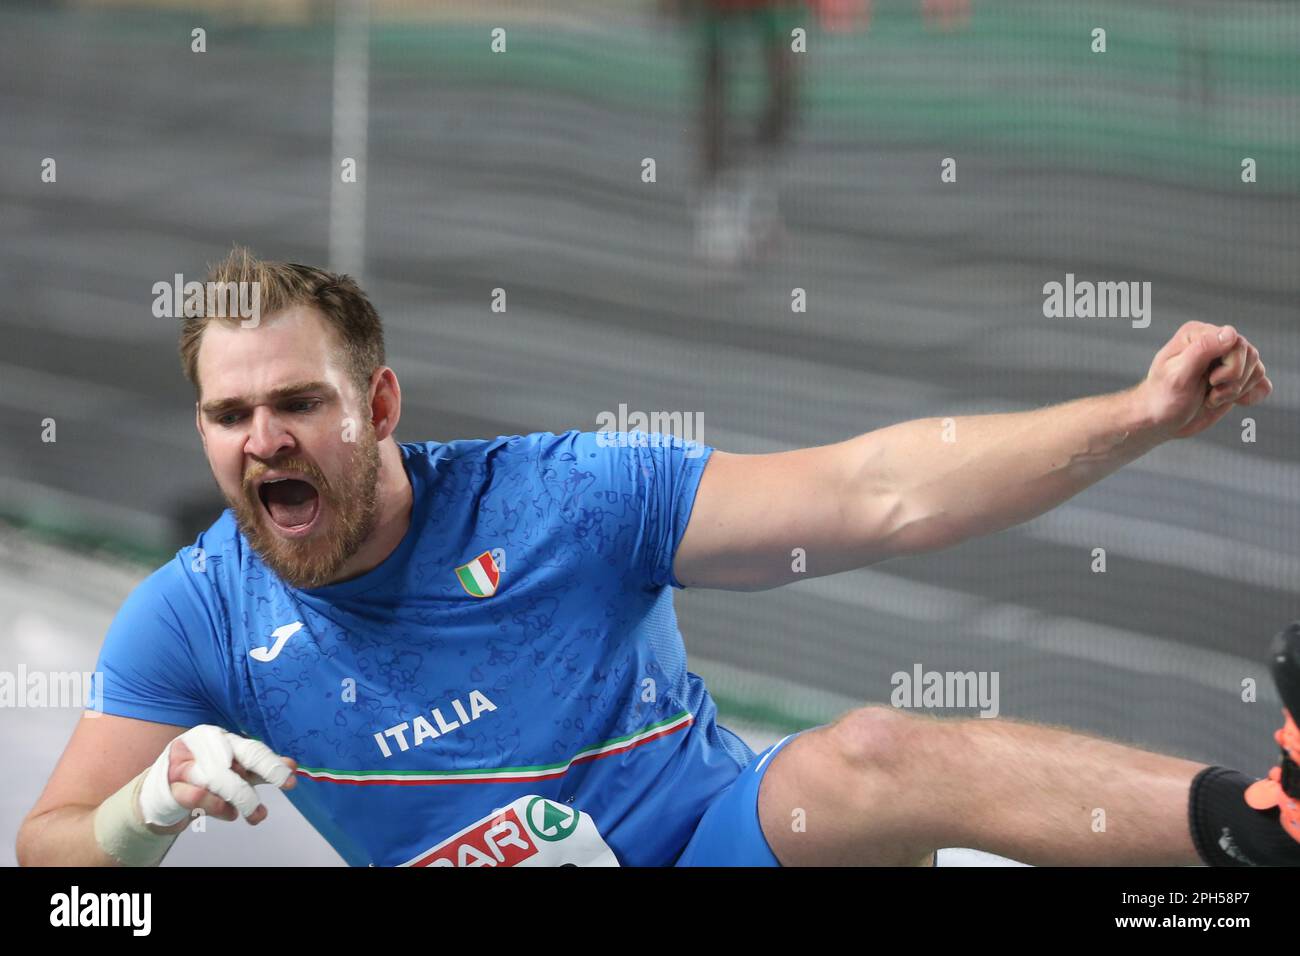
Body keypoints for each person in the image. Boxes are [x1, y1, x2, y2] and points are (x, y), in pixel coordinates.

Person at [15, 247, 1284, 867]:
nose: (262, 439)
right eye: (230, 416)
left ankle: (1258, 831)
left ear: (381, 406)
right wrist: (153, 799)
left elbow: (879, 492)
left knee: (878, 754)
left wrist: (1136, 415)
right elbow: (52, 856)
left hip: (712, 841)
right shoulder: (192, 618)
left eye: (297, 402)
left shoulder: (566, 496)